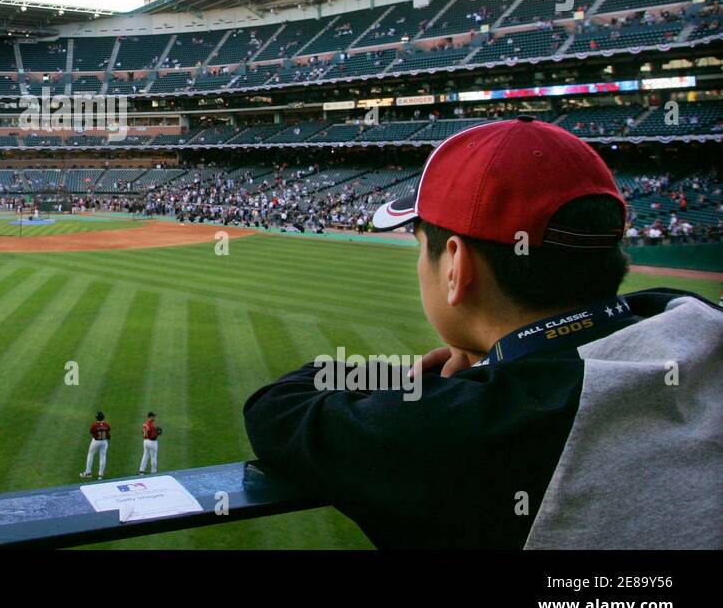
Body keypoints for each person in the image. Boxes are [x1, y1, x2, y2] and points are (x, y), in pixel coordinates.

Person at [243, 117, 722, 549]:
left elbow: (278, 408)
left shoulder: (471, 428)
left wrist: (406, 377)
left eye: (419, 247)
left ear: (457, 265)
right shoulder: (693, 318)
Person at [80, 411, 111, 479]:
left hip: (96, 441)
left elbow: (92, 432)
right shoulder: (107, 424)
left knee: (90, 455)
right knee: (103, 456)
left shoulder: (94, 425)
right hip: (104, 442)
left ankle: (88, 473)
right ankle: (100, 475)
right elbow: (108, 434)